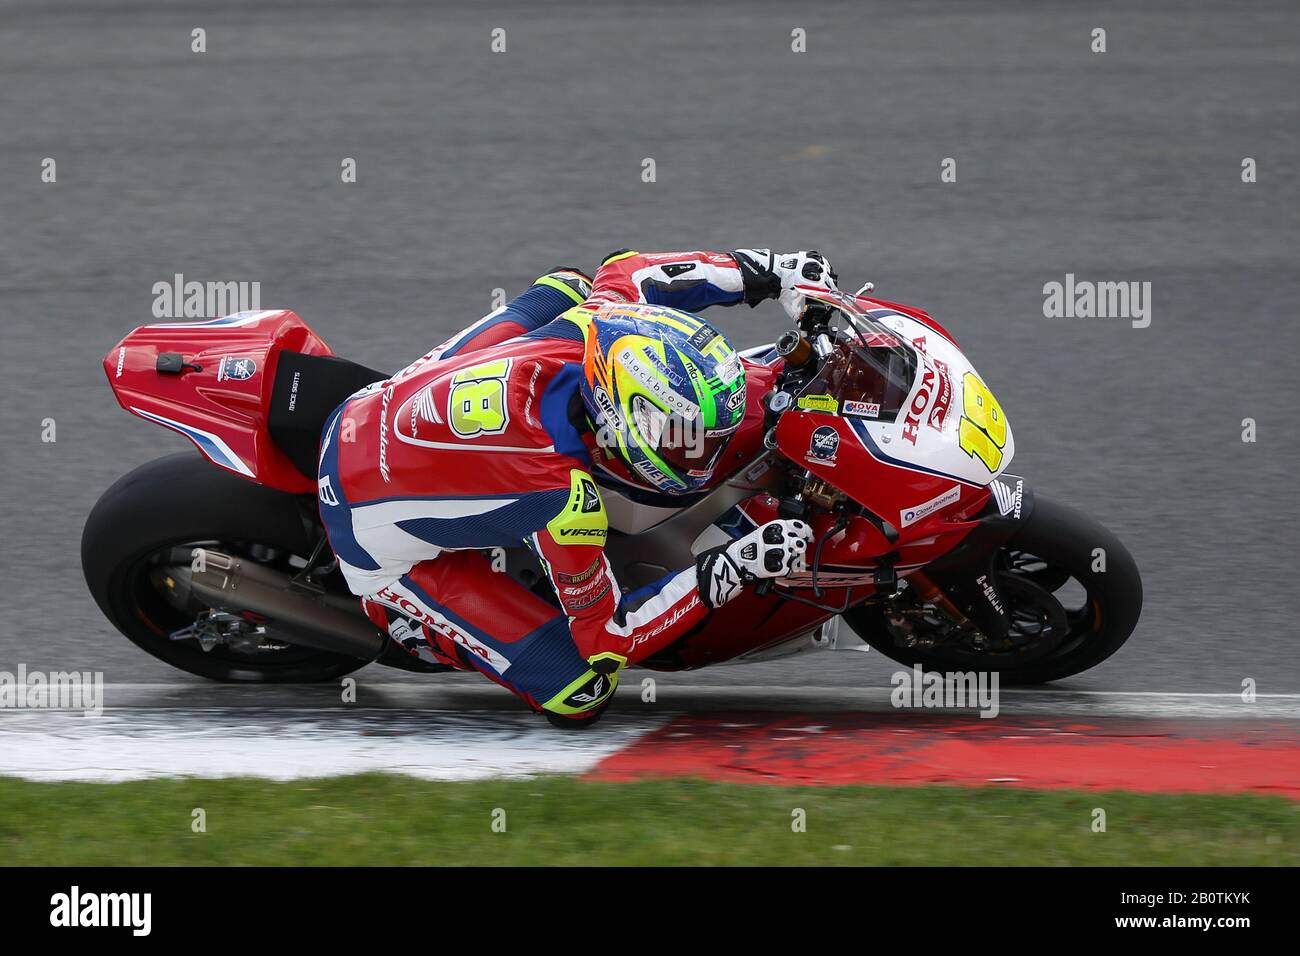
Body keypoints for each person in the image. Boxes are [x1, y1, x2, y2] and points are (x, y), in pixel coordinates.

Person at [317, 249, 836, 725]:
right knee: (582, 689)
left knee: (569, 285)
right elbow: (609, 636)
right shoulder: (561, 497)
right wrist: (734, 564)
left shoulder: (601, 323)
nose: (702, 448)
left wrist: (774, 270)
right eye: (687, 436)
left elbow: (631, 269)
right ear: (621, 416)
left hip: (372, 406)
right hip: (362, 525)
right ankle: (407, 621)